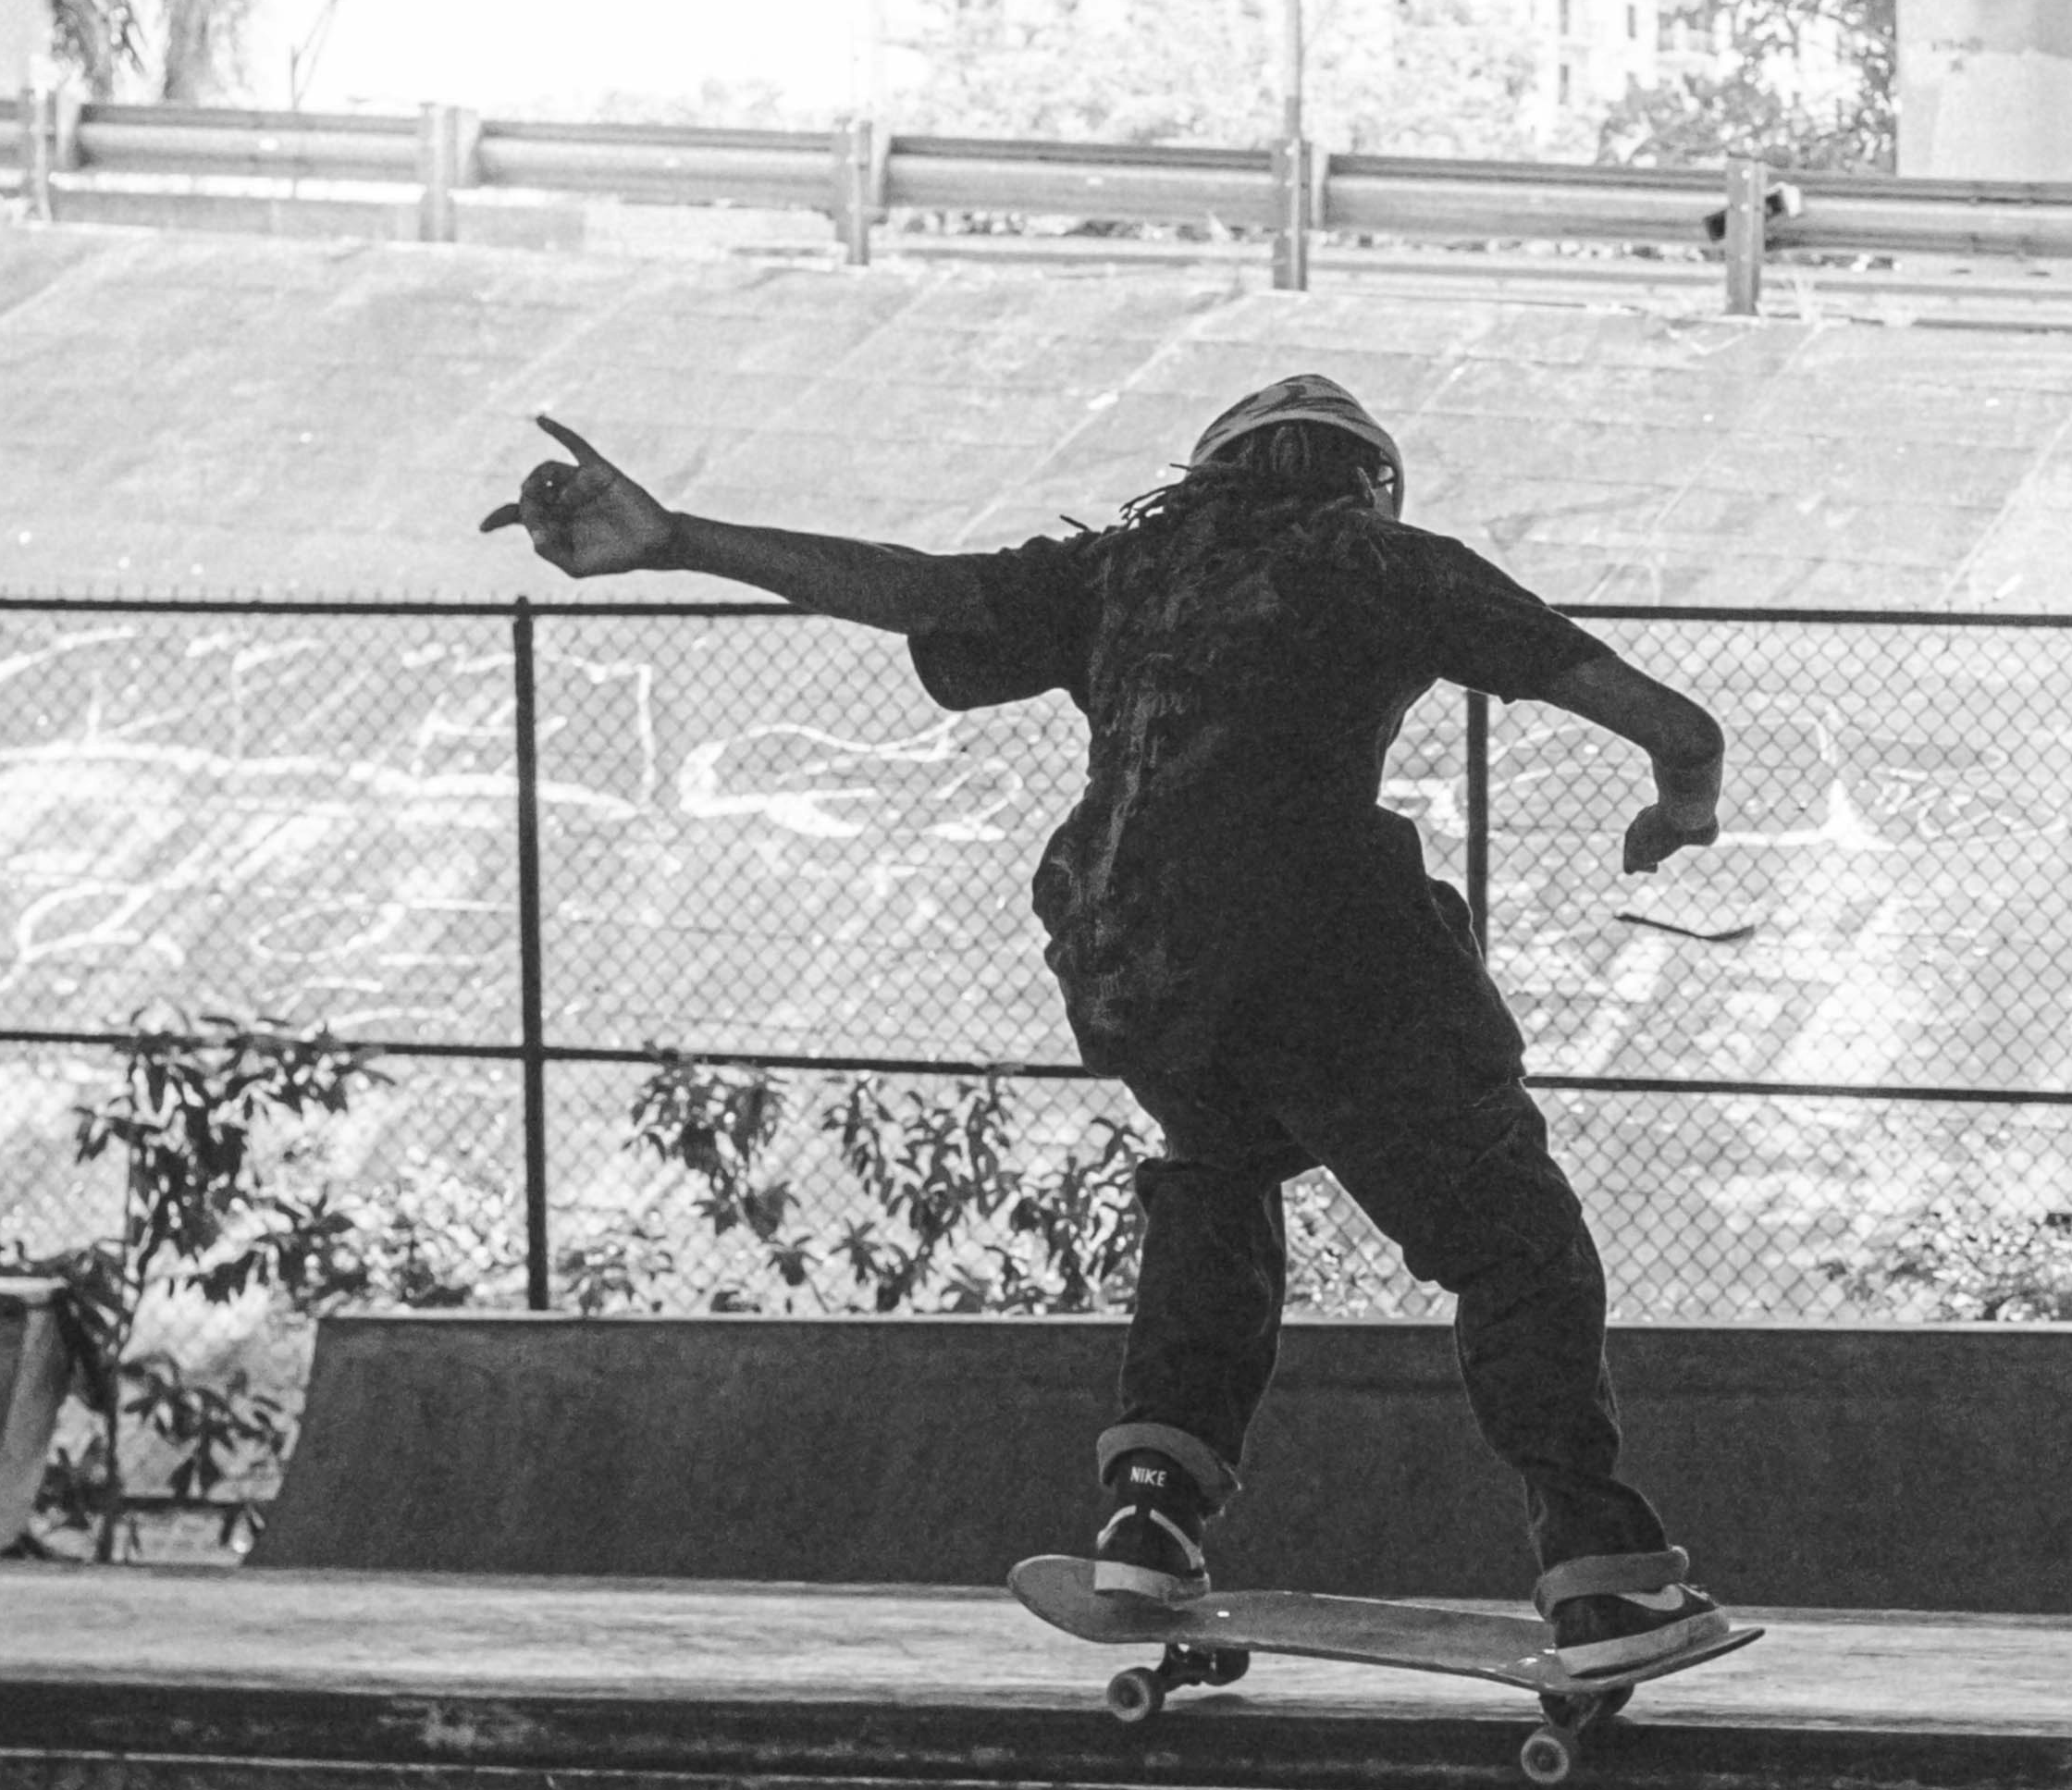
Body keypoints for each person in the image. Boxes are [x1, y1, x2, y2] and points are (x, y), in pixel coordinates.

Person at [484, 377, 1741, 1674]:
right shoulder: (1386, 560)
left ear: (1205, 477)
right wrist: (1684, 802)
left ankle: (1151, 1519)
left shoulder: (1127, 569)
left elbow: (918, 592)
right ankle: (1600, 1564)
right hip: (1327, 948)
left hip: (1133, 955)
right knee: (1508, 1231)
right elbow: (1674, 723)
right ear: (1371, 484)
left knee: (1219, 1179)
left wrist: (681, 538)